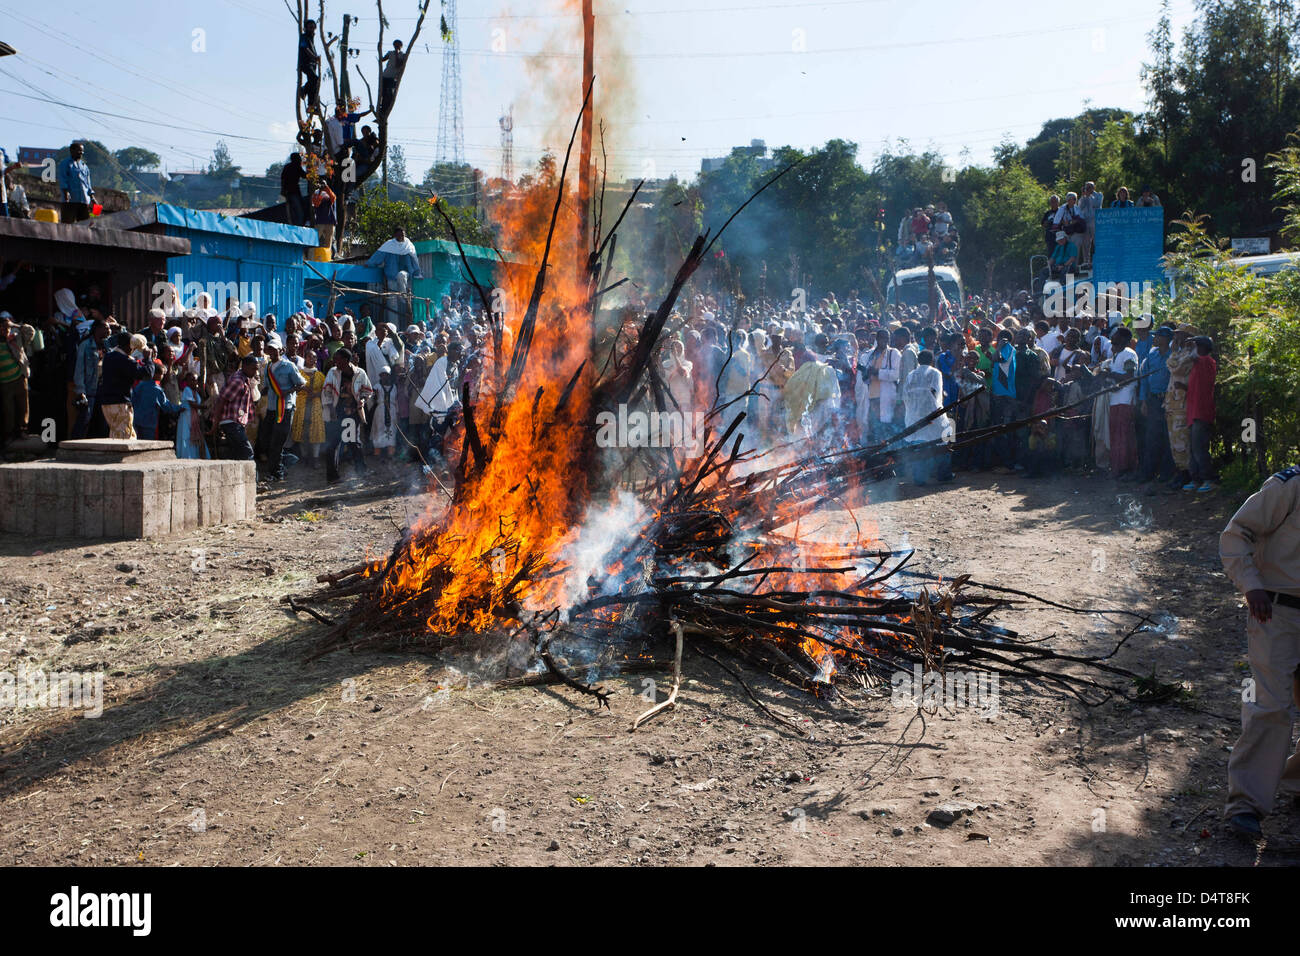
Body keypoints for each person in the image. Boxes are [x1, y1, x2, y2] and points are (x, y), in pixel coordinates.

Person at [1218, 464, 1300, 840]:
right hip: (1277, 610)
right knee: (1272, 706)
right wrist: (1250, 586)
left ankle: (1295, 781)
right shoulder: (1289, 486)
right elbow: (1236, 534)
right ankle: (1246, 805)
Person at [257, 335, 308, 481]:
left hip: (286, 408)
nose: (272, 352)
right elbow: (267, 386)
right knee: (265, 440)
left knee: (277, 441)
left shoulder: (289, 366)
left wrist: (288, 391)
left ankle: (276, 472)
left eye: (274, 350)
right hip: (272, 408)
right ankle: (285, 462)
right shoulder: (267, 367)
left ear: (281, 350)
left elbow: (301, 384)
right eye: (270, 349)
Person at [1137, 325, 1175, 483]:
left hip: (1168, 400)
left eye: (1158, 336)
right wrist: (1143, 401)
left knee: (1168, 437)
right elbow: (1144, 379)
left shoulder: (1173, 356)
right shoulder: (1151, 355)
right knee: (1152, 437)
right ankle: (1148, 473)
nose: (1155, 338)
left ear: (1166, 339)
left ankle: (1167, 474)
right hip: (1153, 400)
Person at [97, 332, 149, 440]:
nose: (133, 351)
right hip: (120, 404)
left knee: (118, 434)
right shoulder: (125, 360)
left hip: (107, 404)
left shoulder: (108, 357)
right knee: (124, 438)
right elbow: (146, 374)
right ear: (128, 346)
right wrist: (149, 360)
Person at [1105, 326, 1139, 480]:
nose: (1113, 337)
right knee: (1115, 434)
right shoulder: (1116, 355)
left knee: (1124, 434)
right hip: (1115, 399)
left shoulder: (1129, 353)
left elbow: (1129, 376)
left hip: (1126, 398)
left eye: (1117, 335)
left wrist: (1111, 374)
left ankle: (1128, 468)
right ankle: (1118, 467)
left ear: (1124, 339)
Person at [1185, 335, 1217, 492]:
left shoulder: (1207, 362)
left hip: (1202, 412)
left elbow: (1194, 357)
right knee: (1192, 448)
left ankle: (1208, 479)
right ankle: (1196, 478)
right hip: (1193, 412)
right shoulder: (1197, 365)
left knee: (1199, 448)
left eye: (1196, 345)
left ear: (1202, 348)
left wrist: (1190, 348)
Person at [215, 355, 260, 461]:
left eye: (256, 369)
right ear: (245, 366)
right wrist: (215, 423)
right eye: (253, 369)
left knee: (238, 455)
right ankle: (253, 477)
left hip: (235, 423)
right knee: (247, 453)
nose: (255, 372)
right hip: (231, 423)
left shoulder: (244, 379)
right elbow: (222, 400)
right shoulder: (238, 381)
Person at [291, 347, 327, 467]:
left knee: (315, 432)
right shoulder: (299, 373)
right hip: (301, 405)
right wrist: (303, 388)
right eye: (309, 356)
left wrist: (317, 394)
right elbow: (294, 388)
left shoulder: (321, 375)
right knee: (302, 432)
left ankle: (315, 459)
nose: (312, 359)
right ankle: (305, 457)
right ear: (305, 358)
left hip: (316, 406)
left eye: (314, 357)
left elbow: (325, 391)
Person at [130, 367, 181, 440]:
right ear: (156, 374)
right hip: (149, 423)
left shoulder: (140, 385)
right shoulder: (157, 389)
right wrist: (179, 407)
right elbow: (166, 405)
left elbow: (133, 399)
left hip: (137, 420)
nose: (163, 376)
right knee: (147, 446)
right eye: (162, 374)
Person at [58, 142, 96, 223]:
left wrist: (92, 197)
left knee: (85, 224)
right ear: (72, 150)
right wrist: (66, 192)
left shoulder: (84, 166)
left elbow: (88, 184)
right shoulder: (65, 164)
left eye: (82, 151)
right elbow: (63, 179)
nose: (81, 153)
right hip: (70, 201)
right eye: (79, 151)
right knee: (67, 225)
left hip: (84, 201)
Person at [176, 371, 208, 459]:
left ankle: (195, 456)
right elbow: (193, 404)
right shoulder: (187, 390)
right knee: (186, 436)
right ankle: (187, 456)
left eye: (196, 380)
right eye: (192, 380)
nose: (194, 382)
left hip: (194, 418)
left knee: (194, 436)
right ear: (187, 381)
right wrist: (205, 406)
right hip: (186, 417)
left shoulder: (196, 393)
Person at [298, 19, 321, 112]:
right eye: (310, 27)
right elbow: (305, 48)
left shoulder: (311, 39)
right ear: (306, 28)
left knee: (314, 84)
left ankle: (311, 106)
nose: (312, 29)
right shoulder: (304, 37)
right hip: (306, 63)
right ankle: (303, 90)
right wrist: (314, 57)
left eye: (313, 27)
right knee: (315, 79)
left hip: (312, 64)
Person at [280, 153, 308, 227]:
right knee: (300, 212)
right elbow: (305, 175)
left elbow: (282, 179)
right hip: (294, 192)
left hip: (288, 192)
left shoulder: (287, 167)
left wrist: (283, 190)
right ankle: (299, 226)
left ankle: (293, 224)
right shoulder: (297, 167)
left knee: (290, 211)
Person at [379, 39, 406, 114]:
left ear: (401, 46)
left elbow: (398, 65)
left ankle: (384, 110)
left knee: (389, 95)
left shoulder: (403, 55)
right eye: (395, 45)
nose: (396, 47)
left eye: (398, 46)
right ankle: (381, 109)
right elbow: (382, 59)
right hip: (385, 76)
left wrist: (397, 54)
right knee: (382, 93)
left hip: (393, 78)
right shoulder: (390, 53)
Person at [311, 180, 336, 249]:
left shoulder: (329, 192)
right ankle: (312, 254)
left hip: (330, 221)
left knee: (329, 243)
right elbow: (316, 203)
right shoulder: (316, 192)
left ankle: (328, 257)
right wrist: (320, 192)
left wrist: (326, 187)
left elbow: (333, 198)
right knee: (314, 240)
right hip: (320, 222)